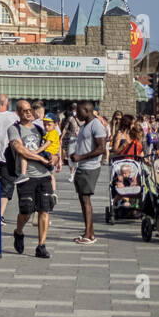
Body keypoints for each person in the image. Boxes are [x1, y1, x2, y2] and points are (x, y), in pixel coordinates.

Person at [7, 99, 53, 259]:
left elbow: (51, 147)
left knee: (44, 210)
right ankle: (18, 232)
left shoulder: (40, 129)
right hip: (26, 176)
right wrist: (40, 159)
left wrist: (53, 158)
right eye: (24, 110)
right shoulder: (14, 129)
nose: (28, 112)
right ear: (18, 112)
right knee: (26, 211)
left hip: (44, 176)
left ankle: (41, 245)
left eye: (30, 109)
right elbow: (21, 150)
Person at [68, 102, 109, 245]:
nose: (77, 114)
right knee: (83, 200)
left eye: (79, 112)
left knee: (86, 201)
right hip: (82, 166)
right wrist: (77, 154)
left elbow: (101, 148)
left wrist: (81, 157)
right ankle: (90, 233)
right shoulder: (85, 125)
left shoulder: (96, 125)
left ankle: (88, 233)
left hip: (90, 167)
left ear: (87, 110)